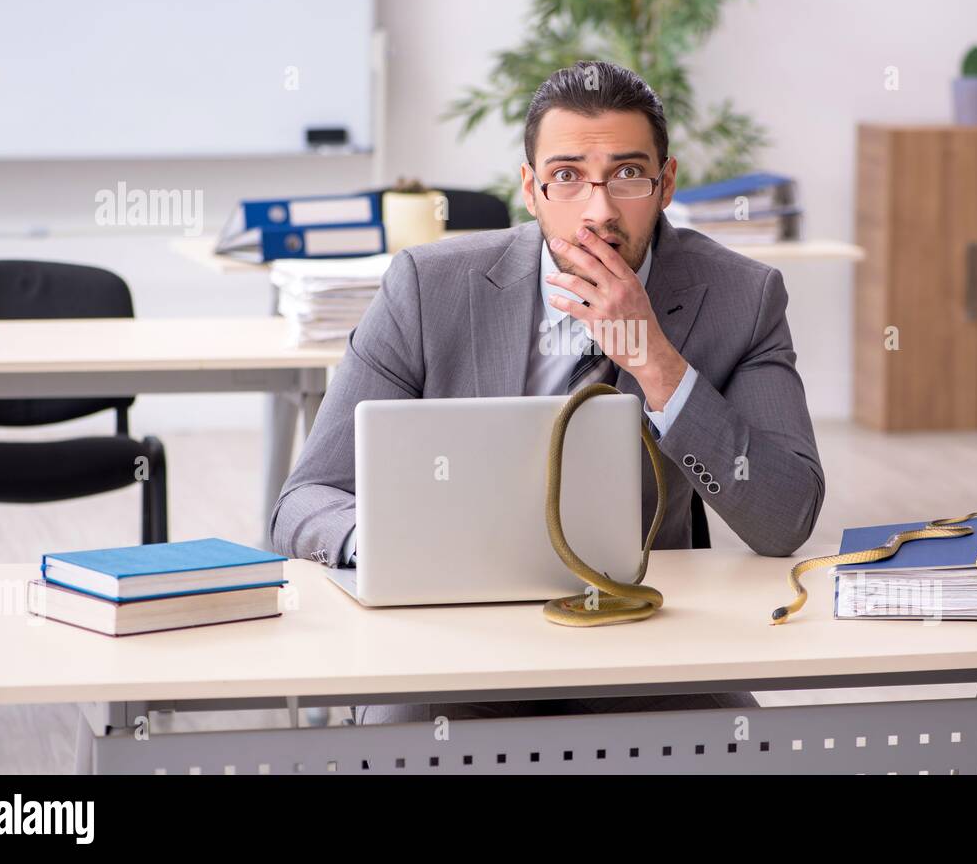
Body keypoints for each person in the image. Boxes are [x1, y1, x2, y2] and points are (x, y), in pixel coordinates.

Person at [271, 61, 826, 724]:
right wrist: (390, 545)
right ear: (531, 189)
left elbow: (786, 516)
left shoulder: (742, 298)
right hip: (452, 637)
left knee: (748, 748)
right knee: (402, 737)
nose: (599, 209)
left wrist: (655, 361)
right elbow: (302, 502)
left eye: (627, 174)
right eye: (567, 177)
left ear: (666, 183)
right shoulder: (427, 287)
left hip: (645, 642)